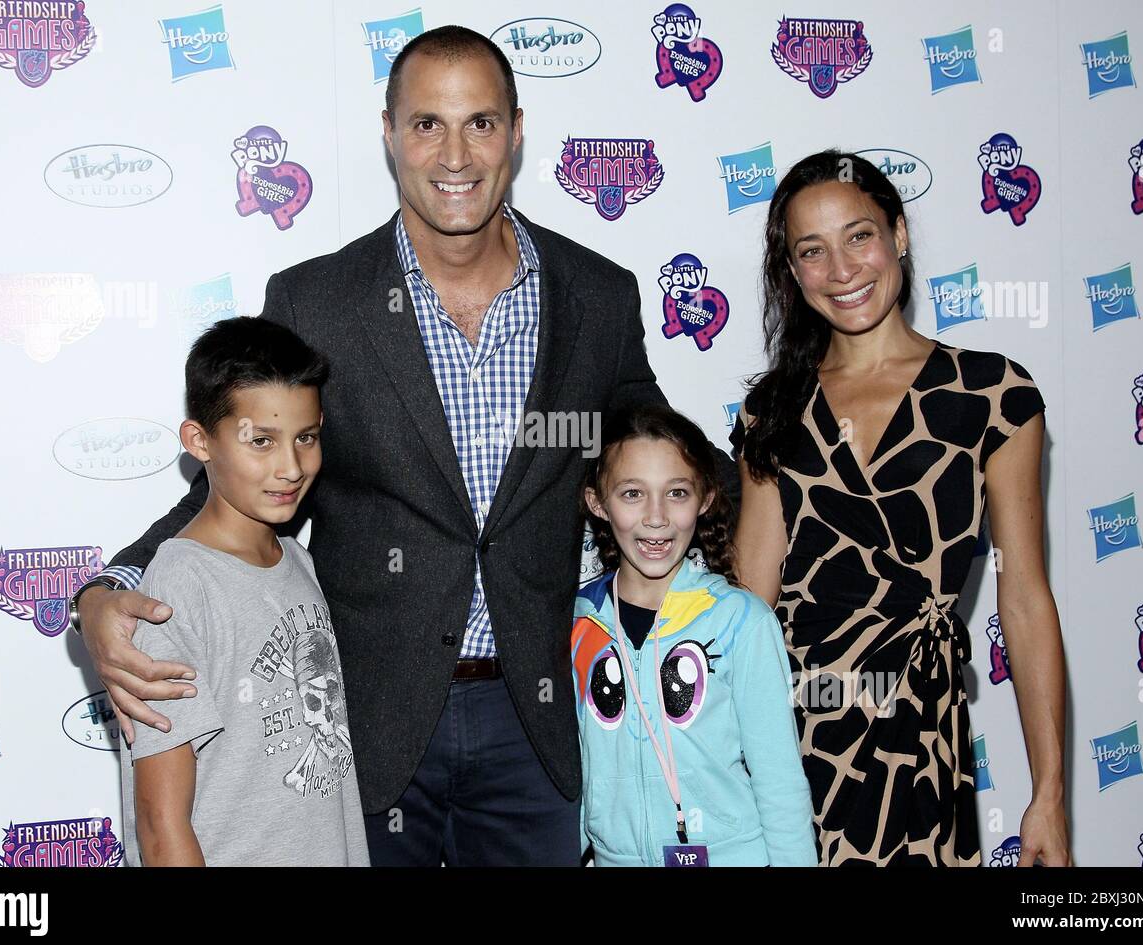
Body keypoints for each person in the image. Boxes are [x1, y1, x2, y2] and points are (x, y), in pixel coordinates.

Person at [72, 26, 737, 866]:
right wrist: (108, 587)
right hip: (364, 720)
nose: (455, 154)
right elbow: (229, 477)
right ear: (389, 134)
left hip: (537, 721)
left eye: (481, 124)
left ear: (517, 131)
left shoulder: (597, 296)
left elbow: (663, 455)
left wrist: (776, 510)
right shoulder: (317, 298)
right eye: (428, 124)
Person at [730, 151, 1071, 866]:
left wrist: (1049, 795)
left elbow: (1026, 602)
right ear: (792, 273)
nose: (843, 269)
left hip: (923, 738)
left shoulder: (993, 396)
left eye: (860, 236)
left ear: (900, 235)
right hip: (796, 741)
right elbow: (748, 615)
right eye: (811, 251)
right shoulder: (773, 413)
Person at [119, 317, 368, 866]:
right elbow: (162, 828)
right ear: (198, 441)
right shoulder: (176, 588)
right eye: (261, 442)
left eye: (306, 437)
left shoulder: (297, 559)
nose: (291, 467)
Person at [572, 405, 816, 867]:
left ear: (704, 499)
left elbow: (780, 779)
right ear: (597, 504)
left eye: (677, 493)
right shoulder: (578, 623)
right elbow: (574, 773)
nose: (657, 517)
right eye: (632, 494)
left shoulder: (741, 621)